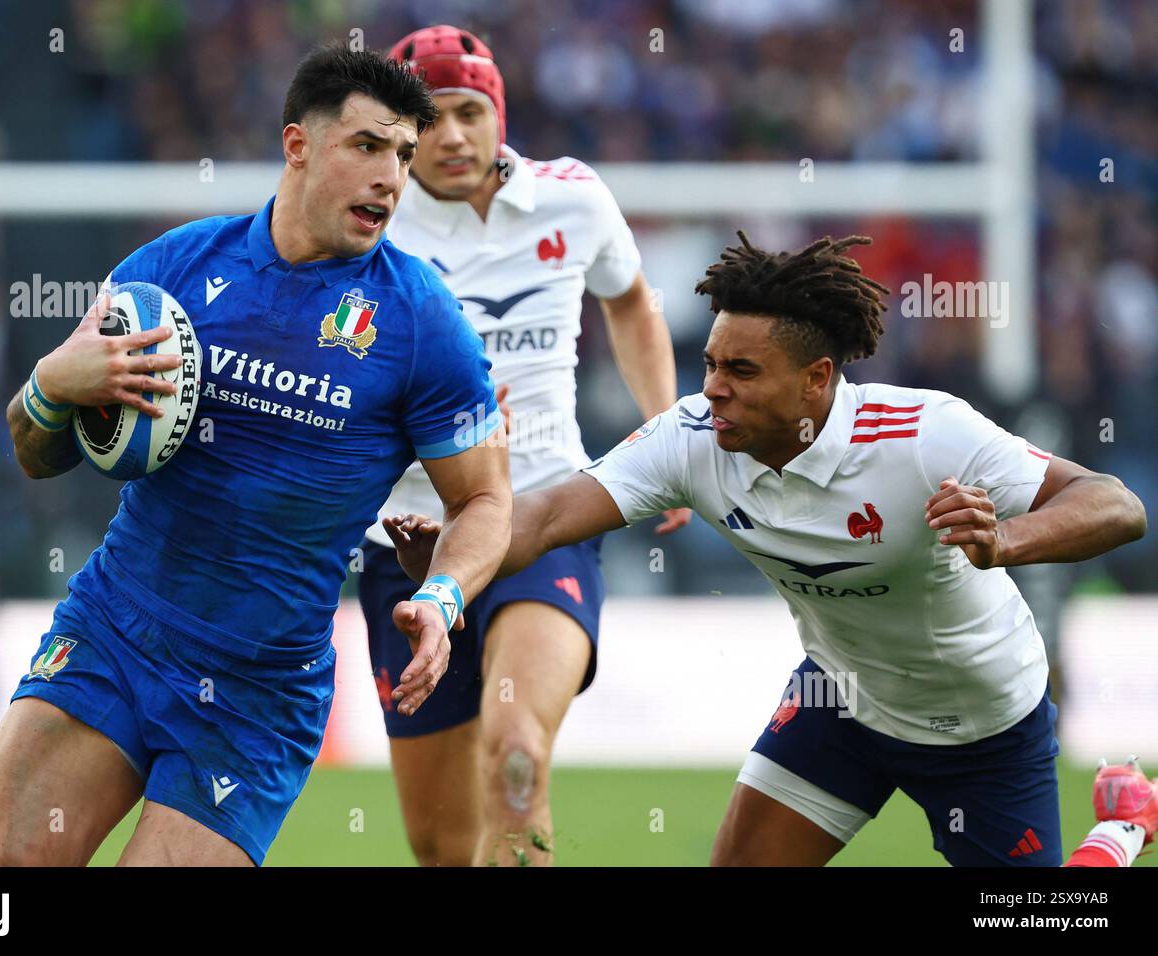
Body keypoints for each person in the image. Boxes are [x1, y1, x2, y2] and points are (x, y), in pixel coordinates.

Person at [384, 230, 1148, 867]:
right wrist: (454, 568)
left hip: (984, 727)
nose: (714, 387)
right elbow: (545, 518)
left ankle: (1117, 833)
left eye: (741, 371)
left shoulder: (924, 433)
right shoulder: (692, 437)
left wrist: (1004, 540)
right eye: (713, 363)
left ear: (817, 380)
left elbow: (1116, 506)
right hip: (840, 704)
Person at [0, 44, 512, 867]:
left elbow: (484, 500)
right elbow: (36, 453)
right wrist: (52, 384)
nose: (391, 177)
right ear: (298, 145)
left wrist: (442, 596)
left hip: (258, 693)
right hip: (115, 632)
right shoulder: (172, 272)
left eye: (402, 154)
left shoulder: (421, 325)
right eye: (366, 146)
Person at [357, 24, 687, 866]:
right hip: (409, 546)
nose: (454, 135)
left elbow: (632, 301)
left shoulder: (573, 197)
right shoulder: (367, 228)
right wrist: (433, 417)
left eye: (470, 111)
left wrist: (667, 425)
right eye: (429, 119)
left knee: (514, 754)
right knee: (441, 846)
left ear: (498, 113)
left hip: (541, 514)